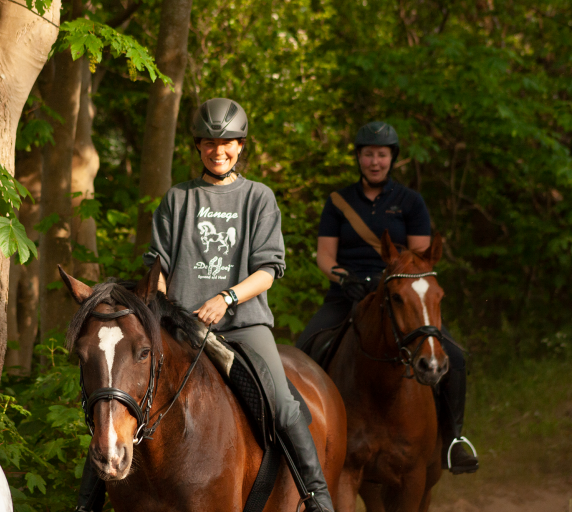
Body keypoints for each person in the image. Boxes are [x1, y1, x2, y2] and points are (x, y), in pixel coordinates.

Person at [74, 98, 334, 512]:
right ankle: (87, 501)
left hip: (243, 323)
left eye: (228, 142)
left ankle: (317, 497)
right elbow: (156, 266)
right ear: (197, 146)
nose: (219, 151)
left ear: (241, 145)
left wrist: (227, 297)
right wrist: (154, 300)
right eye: (210, 143)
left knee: (284, 404)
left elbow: (268, 270)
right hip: (182, 324)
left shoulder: (258, 198)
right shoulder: (177, 199)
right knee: (120, 392)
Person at [296, 121, 479, 475]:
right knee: (305, 347)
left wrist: (392, 281)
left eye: (381, 154)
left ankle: (453, 438)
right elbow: (324, 255)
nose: (375, 161)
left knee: (452, 356)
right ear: (359, 158)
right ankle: (304, 439)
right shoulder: (338, 202)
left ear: (391, 158)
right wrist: (343, 278)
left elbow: (421, 259)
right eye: (368, 154)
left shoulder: (410, 202)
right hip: (347, 295)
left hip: (400, 295)